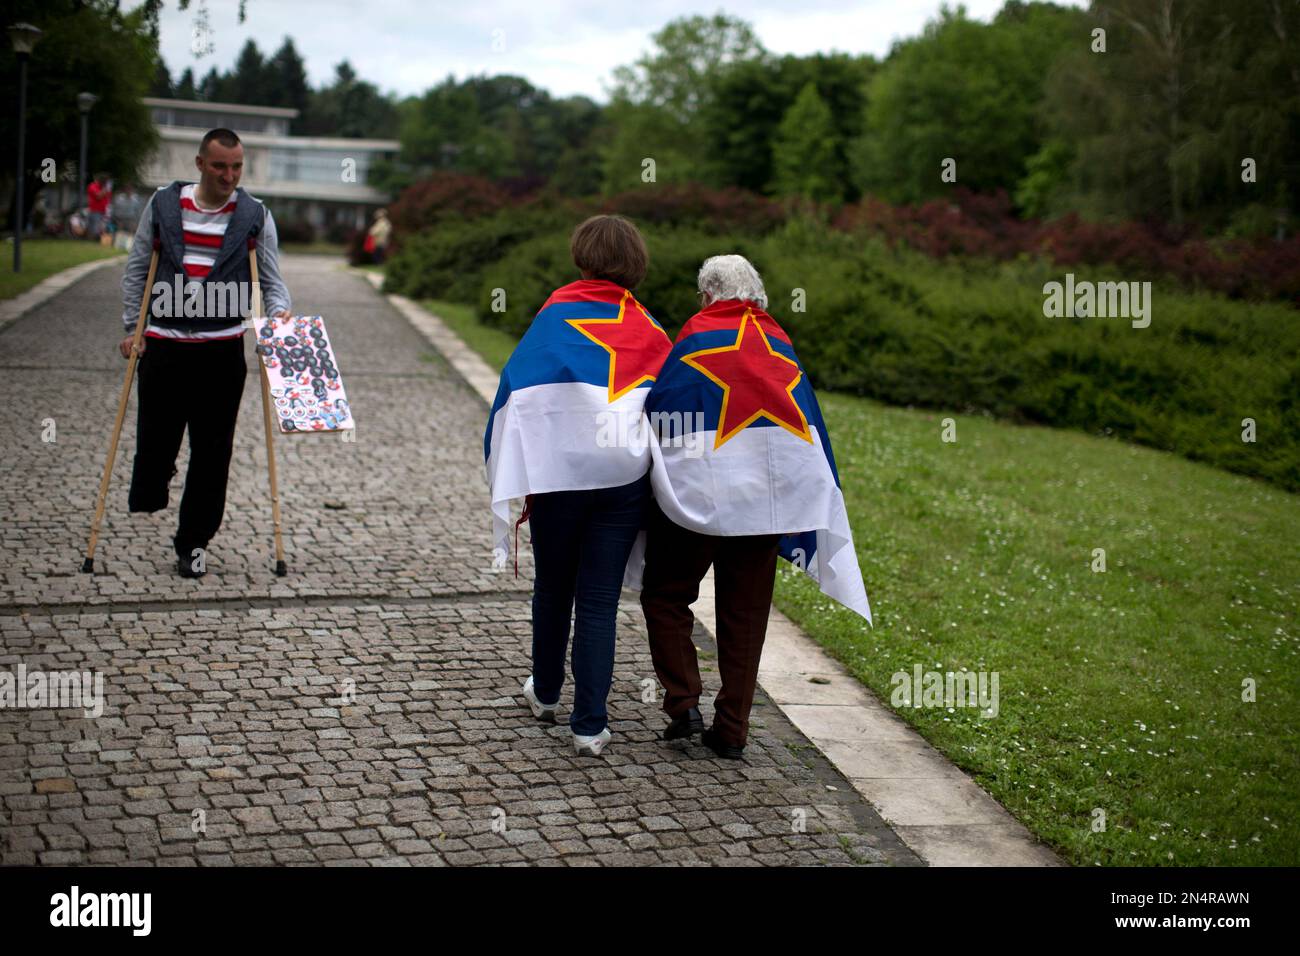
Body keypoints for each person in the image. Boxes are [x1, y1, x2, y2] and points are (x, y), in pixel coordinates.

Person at [639, 255, 872, 760]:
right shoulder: (780, 346)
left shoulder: (693, 340)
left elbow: (660, 413)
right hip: (765, 502)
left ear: (707, 295)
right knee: (745, 613)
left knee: (665, 594)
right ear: (757, 297)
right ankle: (733, 727)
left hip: (696, 498)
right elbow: (811, 430)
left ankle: (683, 704)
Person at [484, 215, 671, 756]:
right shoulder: (652, 329)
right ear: (635, 263)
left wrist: (504, 460)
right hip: (621, 478)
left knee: (553, 587)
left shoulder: (555, 312)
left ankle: (544, 694)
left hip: (558, 475)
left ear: (581, 255)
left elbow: (515, 388)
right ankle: (590, 724)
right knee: (598, 601)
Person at [118, 127, 293, 578]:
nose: (229, 175)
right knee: (156, 446)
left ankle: (192, 543)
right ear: (199, 164)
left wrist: (278, 319)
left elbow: (272, 281)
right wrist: (129, 327)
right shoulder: (162, 206)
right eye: (219, 166)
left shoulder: (255, 216)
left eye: (236, 167)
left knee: (213, 453)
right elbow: (139, 267)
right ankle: (153, 490)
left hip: (221, 353)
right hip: (163, 346)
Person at [86, 173, 112, 240]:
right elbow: (98, 196)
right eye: (105, 182)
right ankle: (91, 241)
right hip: (95, 211)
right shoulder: (93, 186)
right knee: (95, 229)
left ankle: (98, 241)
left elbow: (108, 199)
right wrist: (105, 189)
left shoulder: (105, 188)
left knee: (102, 229)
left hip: (104, 211)